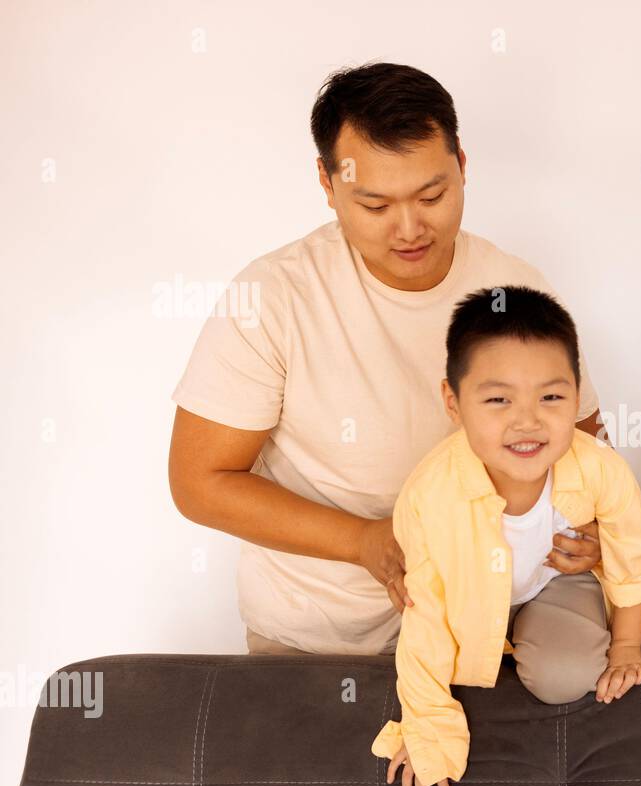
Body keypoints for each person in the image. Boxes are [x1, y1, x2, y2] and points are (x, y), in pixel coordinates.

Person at [168, 63, 604, 655]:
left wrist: (599, 527)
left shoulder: (514, 289)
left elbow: (582, 441)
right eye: (374, 205)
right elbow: (199, 483)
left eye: (433, 195)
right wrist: (364, 541)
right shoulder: (272, 297)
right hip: (319, 630)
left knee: (563, 674)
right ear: (327, 182)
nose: (409, 229)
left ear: (463, 166)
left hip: (483, 618)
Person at [372, 286, 641, 786]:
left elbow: (633, 558)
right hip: (465, 602)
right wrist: (425, 730)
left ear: (578, 396)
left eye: (551, 397)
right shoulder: (430, 494)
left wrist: (624, 647)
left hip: (553, 583)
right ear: (453, 402)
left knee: (566, 675)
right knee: (444, 661)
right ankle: (493, 644)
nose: (528, 422)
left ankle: (530, 637)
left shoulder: (599, 467)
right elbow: (425, 617)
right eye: (498, 399)